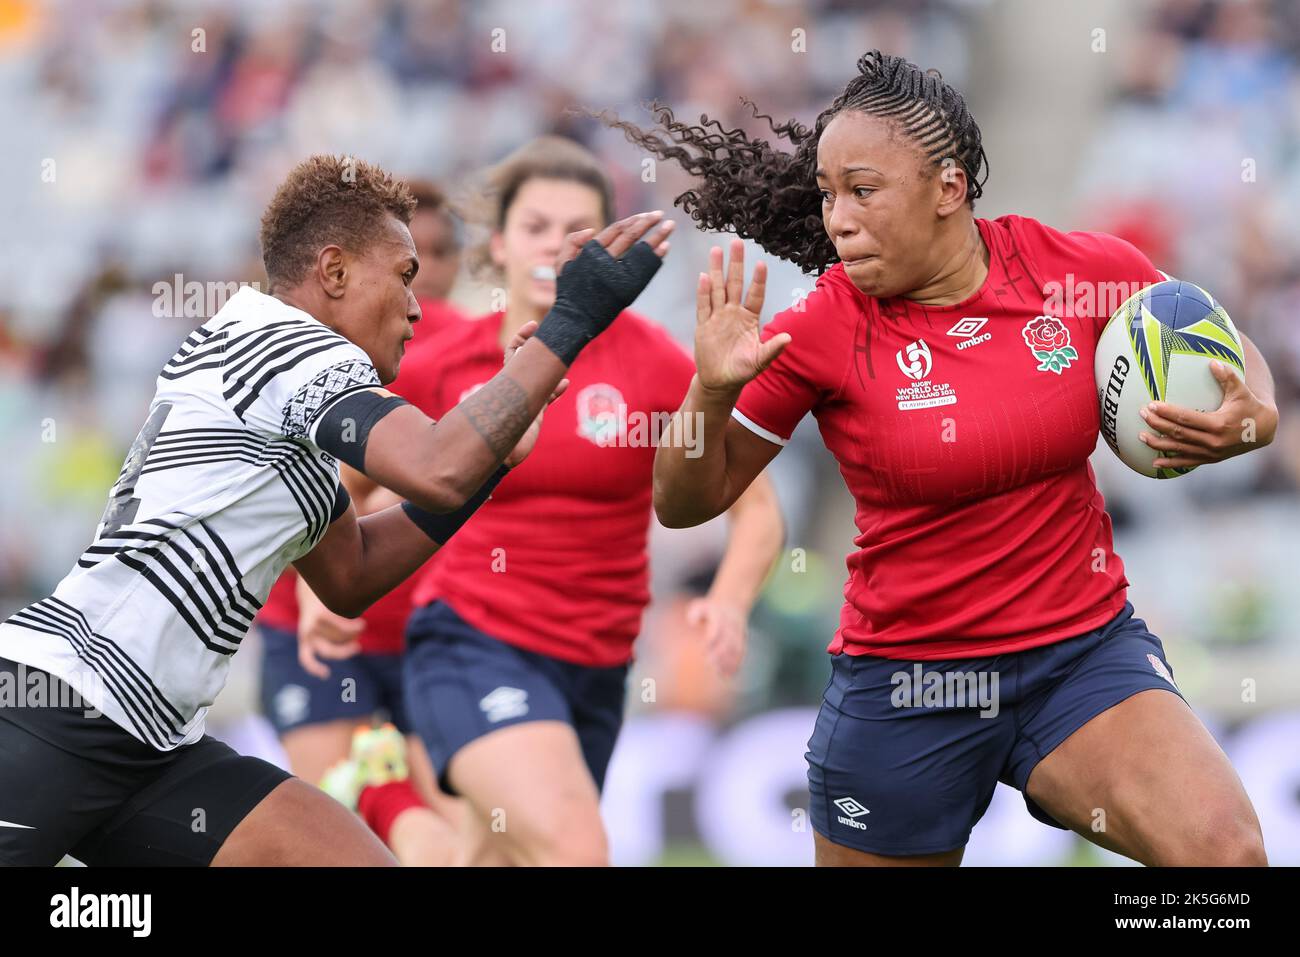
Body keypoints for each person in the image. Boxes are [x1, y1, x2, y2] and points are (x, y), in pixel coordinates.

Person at [619, 50, 1277, 866]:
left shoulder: (1075, 274)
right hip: (907, 688)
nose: (836, 219)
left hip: (1079, 655)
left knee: (1229, 859)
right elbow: (684, 501)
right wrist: (708, 395)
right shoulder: (819, 328)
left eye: (862, 190)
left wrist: (1258, 410)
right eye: (828, 195)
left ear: (948, 188)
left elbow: (1209, 328)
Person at [0, 153, 671, 865]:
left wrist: (492, 466)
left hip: (153, 743)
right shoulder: (288, 349)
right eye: (405, 276)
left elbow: (351, 573)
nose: (418, 306)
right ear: (335, 271)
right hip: (51, 713)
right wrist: (573, 321)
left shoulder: (278, 387)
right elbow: (436, 467)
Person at [330, 136, 784, 867]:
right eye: (535, 227)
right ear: (500, 243)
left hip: (598, 666)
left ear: (606, 250)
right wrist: (329, 595)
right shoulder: (446, 363)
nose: (552, 247)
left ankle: (386, 791)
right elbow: (346, 488)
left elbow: (755, 508)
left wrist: (728, 602)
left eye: (576, 232)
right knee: (575, 850)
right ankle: (391, 791)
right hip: (474, 642)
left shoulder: (659, 362)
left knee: (477, 858)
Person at [255, 177, 464, 797]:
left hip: (425, 629)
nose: (419, 288)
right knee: (344, 813)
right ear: (342, 268)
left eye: (432, 258)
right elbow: (366, 478)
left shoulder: (467, 350)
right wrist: (324, 588)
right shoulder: (328, 360)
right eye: (403, 267)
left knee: (436, 829)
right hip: (319, 627)